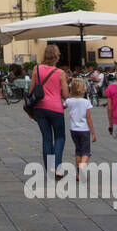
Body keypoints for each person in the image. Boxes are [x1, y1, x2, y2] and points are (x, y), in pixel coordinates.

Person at [31, 44, 70, 179]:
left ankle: (49, 169)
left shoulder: (36, 69)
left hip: (40, 108)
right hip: (56, 108)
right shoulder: (60, 73)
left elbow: (32, 90)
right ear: (56, 56)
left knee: (46, 138)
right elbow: (65, 94)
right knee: (59, 137)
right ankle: (57, 167)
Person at [65, 77, 97, 180]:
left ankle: (78, 173)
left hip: (73, 130)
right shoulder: (86, 102)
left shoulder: (69, 101)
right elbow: (88, 118)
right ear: (84, 89)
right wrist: (93, 132)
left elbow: (62, 106)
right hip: (84, 130)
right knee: (86, 152)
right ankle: (82, 169)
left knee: (78, 151)